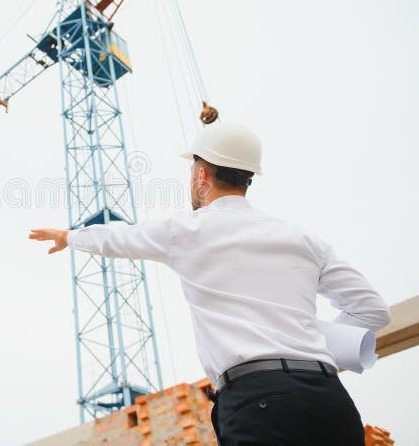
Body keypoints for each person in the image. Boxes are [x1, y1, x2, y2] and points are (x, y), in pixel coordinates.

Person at [28, 120, 391, 446]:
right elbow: (373, 311)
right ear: (249, 176)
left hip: (258, 402)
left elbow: (120, 238)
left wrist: (69, 236)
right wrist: (313, 338)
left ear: (202, 175)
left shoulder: (187, 231)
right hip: (330, 399)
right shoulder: (303, 239)